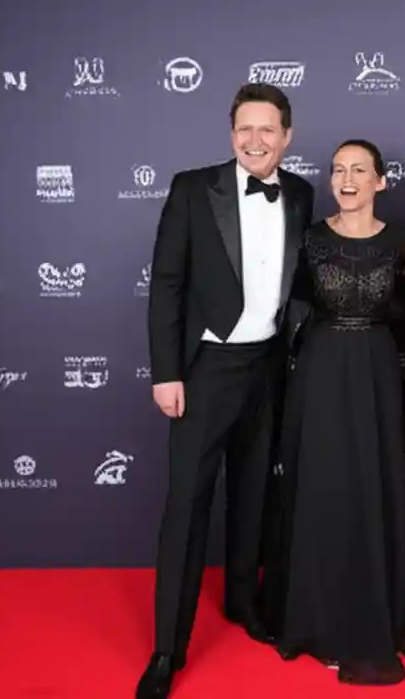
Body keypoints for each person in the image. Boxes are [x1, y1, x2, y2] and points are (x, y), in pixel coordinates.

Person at [136, 83, 315, 699]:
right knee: (187, 505)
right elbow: (165, 285)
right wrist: (167, 372)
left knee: (254, 494)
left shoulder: (300, 193)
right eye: (245, 128)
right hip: (206, 367)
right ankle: (168, 648)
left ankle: (243, 602)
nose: (255, 140)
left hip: (268, 366)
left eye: (268, 129)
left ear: (287, 137)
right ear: (230, 132)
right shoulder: (193, 189)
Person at [266, 139, 405, 685]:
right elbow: (289, 311)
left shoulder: (404, 244)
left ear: (381, 181)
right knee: (323, 490)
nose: (347, 178)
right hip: (322, 370)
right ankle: (318, 620)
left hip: (377, 373)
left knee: (371, 488)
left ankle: (373, 611)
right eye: (338, 170)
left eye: (360, 170)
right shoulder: (308, 241)